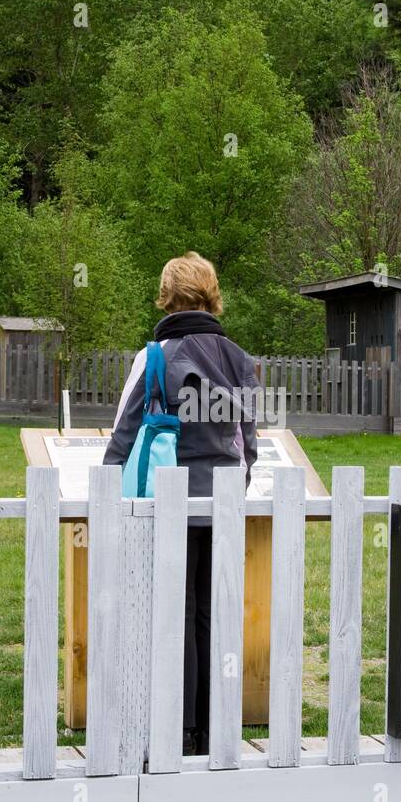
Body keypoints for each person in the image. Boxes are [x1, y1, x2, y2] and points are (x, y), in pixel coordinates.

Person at [104, 252, 259, 756]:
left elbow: (125, 433)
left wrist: (107, 491)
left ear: (165, 297)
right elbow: (249, 439)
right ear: (213, 296)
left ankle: (179, 727)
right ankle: (214, 731)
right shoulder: (239, 359)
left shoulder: (154, 357)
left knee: (174, 614)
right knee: (214, 615)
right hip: (224, 503)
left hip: (167, 506)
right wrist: (238, 480)